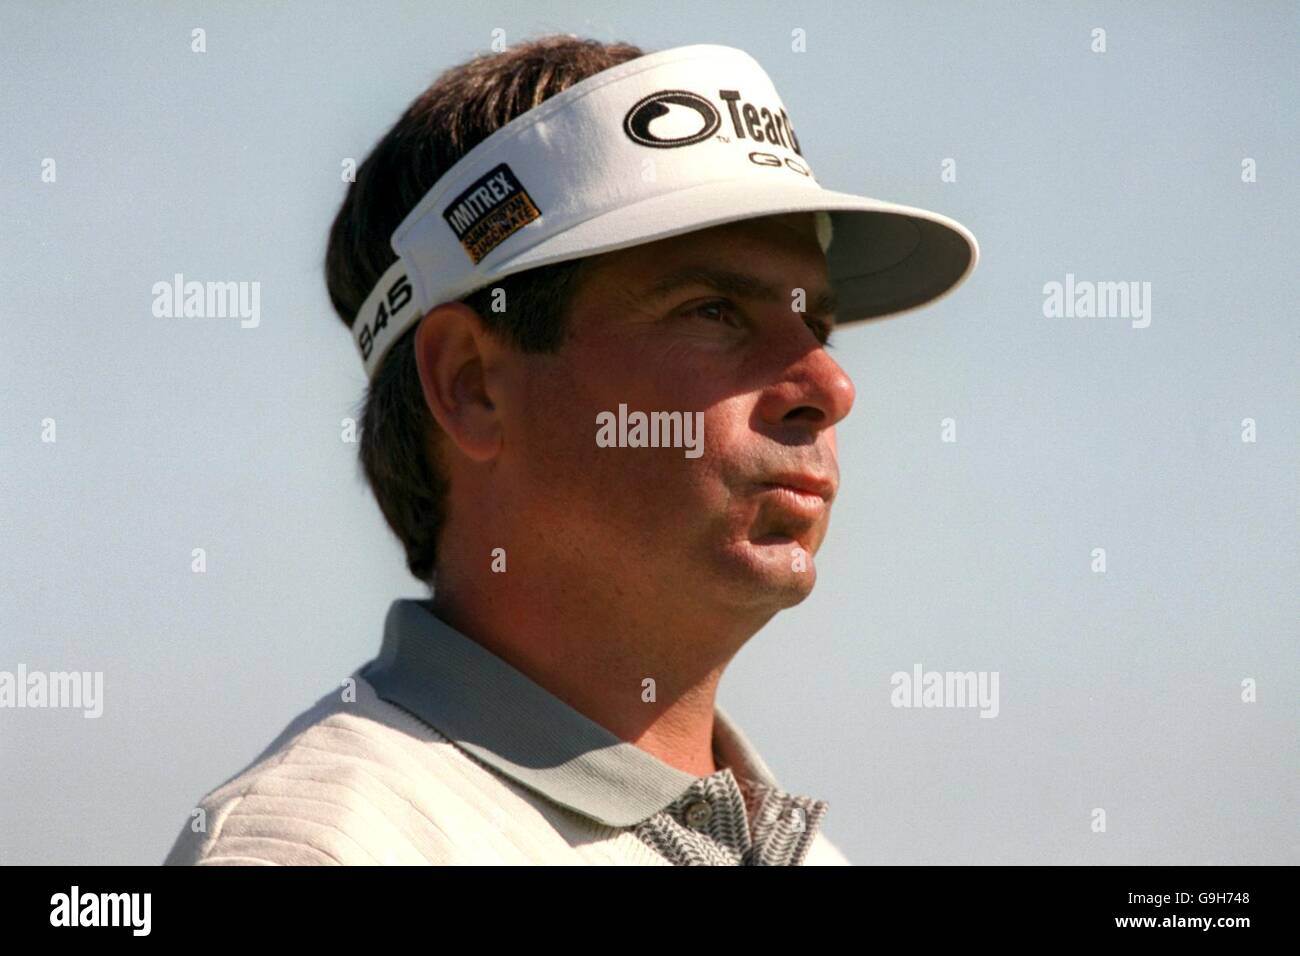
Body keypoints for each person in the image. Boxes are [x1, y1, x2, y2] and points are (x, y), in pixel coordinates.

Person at [164, 34, 978, 866]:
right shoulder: (322, 847)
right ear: (474, 385)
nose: (829, 384)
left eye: (817, 322)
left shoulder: (805, 855)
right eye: (712, 310)